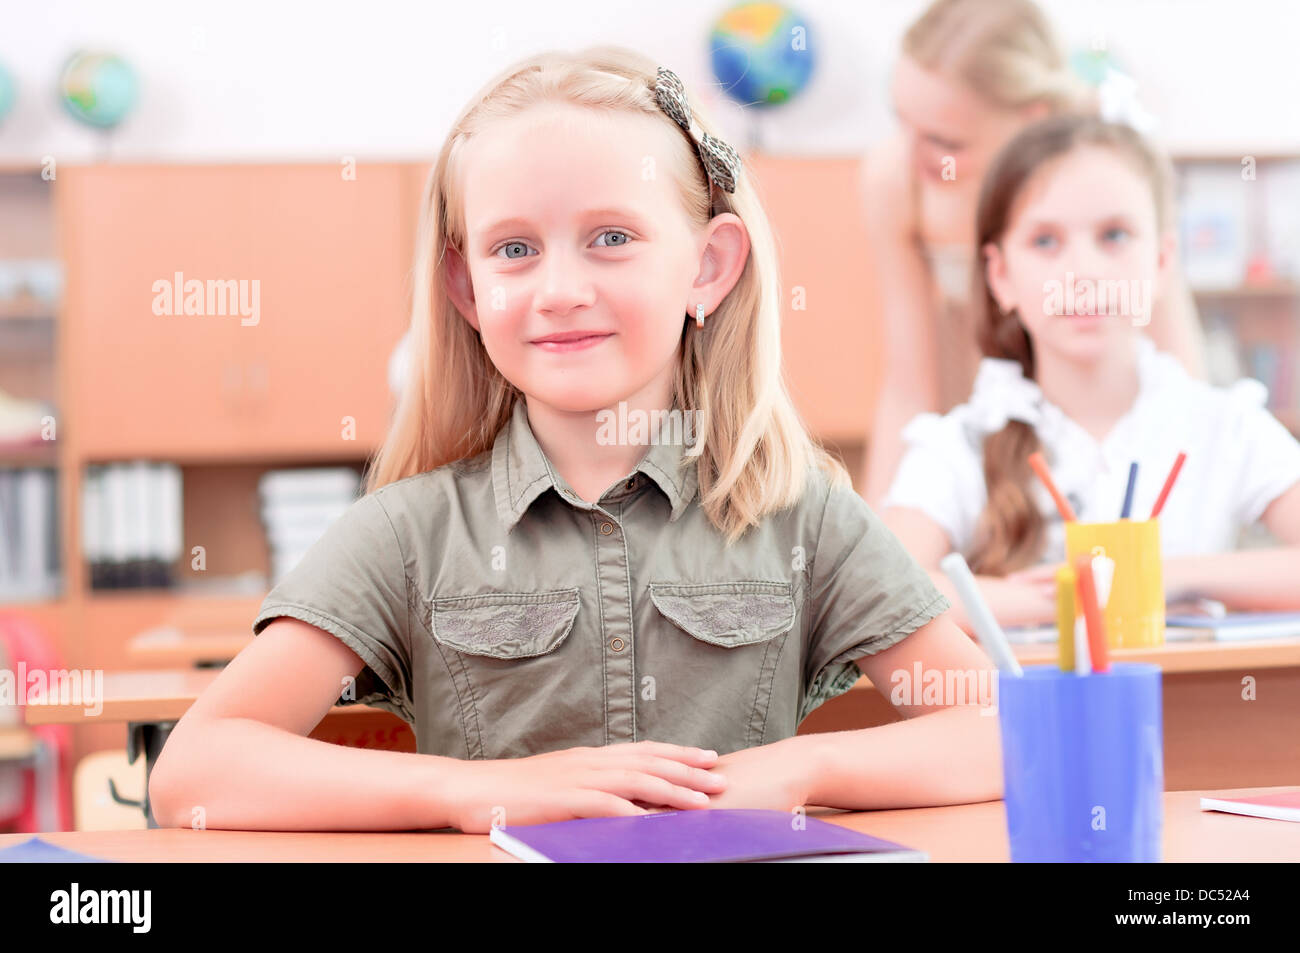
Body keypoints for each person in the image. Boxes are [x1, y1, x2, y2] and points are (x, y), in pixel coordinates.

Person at [150, 47, 1002, 834]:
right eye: (514, 249)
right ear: (468, 287)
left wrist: (805, 766)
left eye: (611, 238)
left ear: (707, 266)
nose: (560, 289)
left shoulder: (802, 515)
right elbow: (193, 771)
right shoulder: (405, 534)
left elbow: (998, 730)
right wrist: (469, 792)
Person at [883, 114, 1300, 630]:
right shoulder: (961, 444)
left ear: (1162, 263)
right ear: (1001, 275)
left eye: (1115, 235)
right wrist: (1066, 598)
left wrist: (1168, 576)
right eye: (1045, 242)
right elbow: (882, 591)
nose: (1082, 272)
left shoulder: (1223, 423)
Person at [859, 0, 1207, 508]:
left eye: (944, 140)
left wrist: (1194, 502)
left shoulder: (1110, 161)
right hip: (982, 384)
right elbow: (909, 387)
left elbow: (1175, 360)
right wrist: (874, 541)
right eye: (902, 121)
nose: (912, 155)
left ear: (1032, 118)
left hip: (1098, 388)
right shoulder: (895, 179)